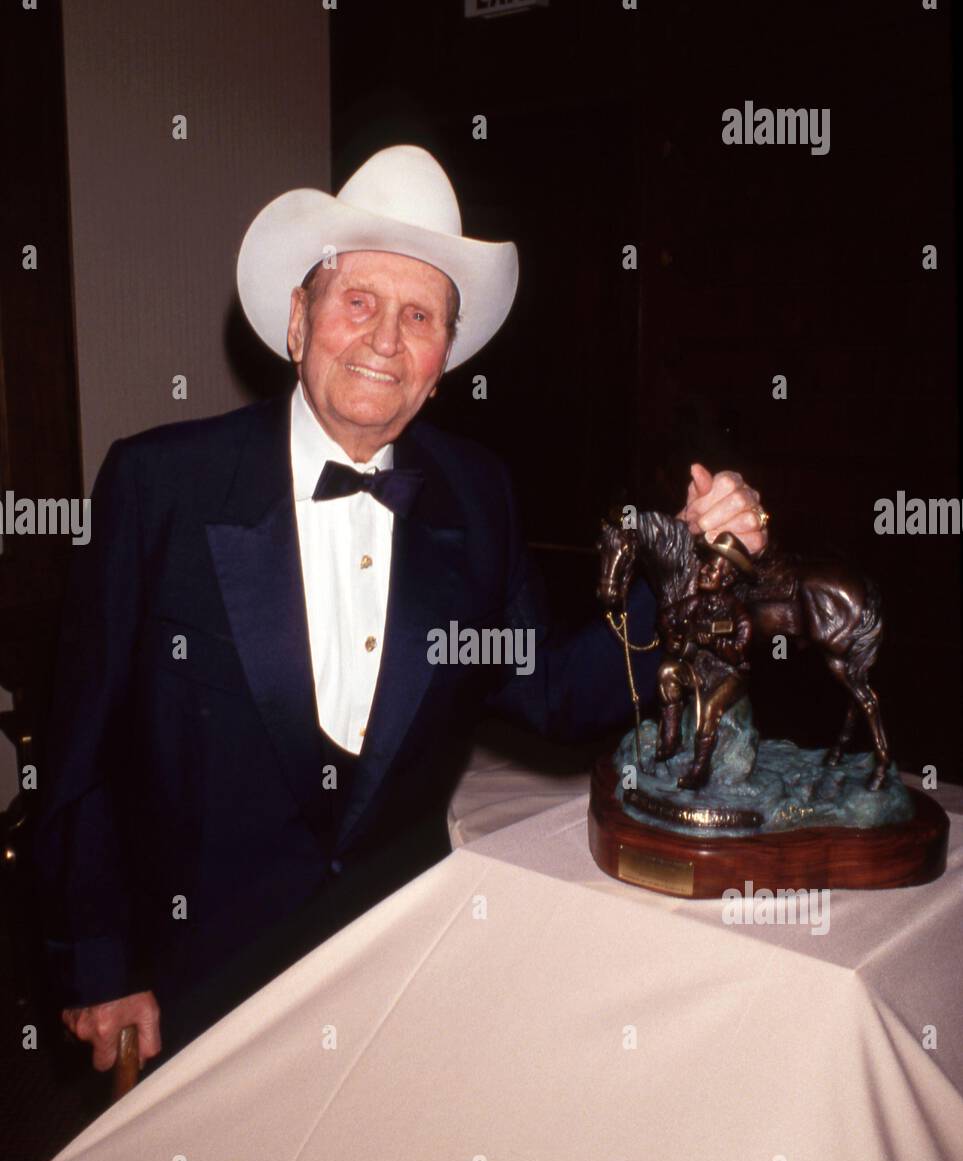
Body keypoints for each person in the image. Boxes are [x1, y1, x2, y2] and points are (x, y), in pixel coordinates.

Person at [34, 145, 769, 1072]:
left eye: (419, 316)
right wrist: (99, 961)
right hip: (196, 977)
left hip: (391, 966)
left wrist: (696, 572)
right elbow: (84, 747)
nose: (385, 340)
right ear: (297, 322)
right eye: (358, 301)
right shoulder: (160, 484)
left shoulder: (477, 494)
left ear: (442, 361)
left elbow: (552, 691)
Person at [655, 533, 755, 789]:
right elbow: (666, 617)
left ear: (728, 579)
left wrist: (715, 643)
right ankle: (671, 739)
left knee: (709, 709)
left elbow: (740, 653)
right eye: (704, 565)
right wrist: (672, 637)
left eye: (712, 569)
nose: (703, 571)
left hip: (729, 675)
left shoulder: (739, 614)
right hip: (699, 669)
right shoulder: (695, 603)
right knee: (667, 671)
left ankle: (700, 770)